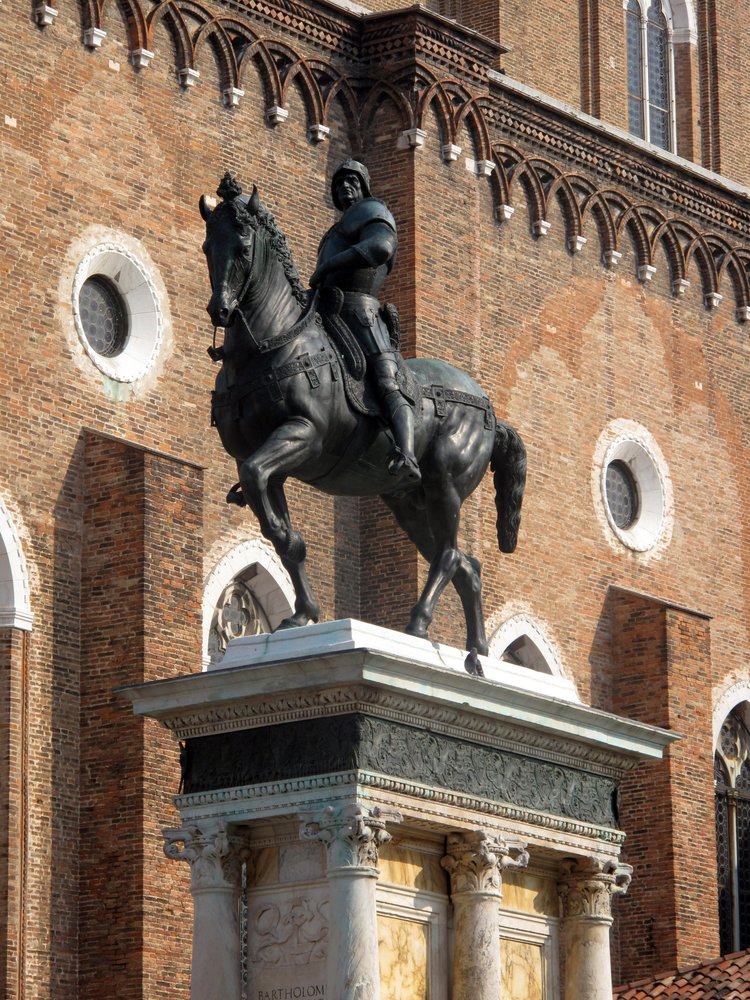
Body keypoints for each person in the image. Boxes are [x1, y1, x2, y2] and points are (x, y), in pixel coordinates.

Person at [310, 159, 420, 483]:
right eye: (340, 181)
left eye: (352, 181)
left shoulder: (374, 210)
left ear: (363, 186)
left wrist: (331, 265)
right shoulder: (334, 231)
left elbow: (381, 247)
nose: (345, 186)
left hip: (362, 310)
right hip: (326, 308)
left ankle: (407, 454)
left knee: (387, 381)